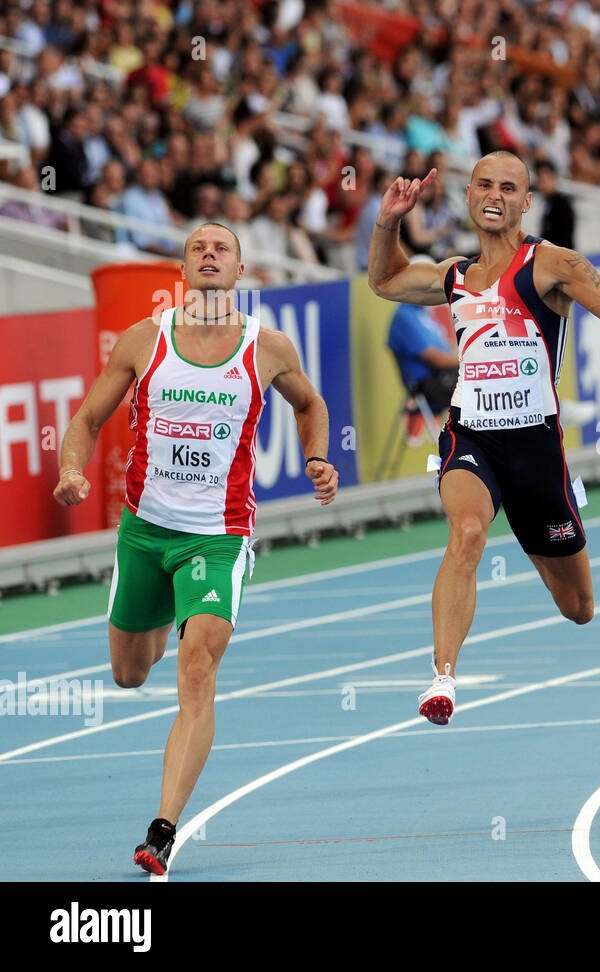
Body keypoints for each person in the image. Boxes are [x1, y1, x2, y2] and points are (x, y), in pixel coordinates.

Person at [368, 151, 600, 725]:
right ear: (468, 196)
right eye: (483, 185)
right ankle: (443, 678)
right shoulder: (454, 276)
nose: (494, 195)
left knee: (578, 608)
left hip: (536, 451)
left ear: (527, 202)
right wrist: (389, 221)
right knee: (468, 532)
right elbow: (384, 280)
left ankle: (545, 531)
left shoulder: (552, 266)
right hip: (470, 438)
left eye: (508, 187)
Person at [51, 222, 339, 874]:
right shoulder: (144, 341)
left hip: (217, 537)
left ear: (239, 271)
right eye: (198, 248)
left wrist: (318, 456)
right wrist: (73, 469)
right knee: (129, 673)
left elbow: (311, 404)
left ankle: (162, 831)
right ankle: (157, 613)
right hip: (145, 532)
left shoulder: (266, 348)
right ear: (183, 267)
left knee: (198, 669)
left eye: (222, 249)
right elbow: (87, 420)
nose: (209, 255)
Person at [387, 299, 459, 443]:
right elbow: (438, 359)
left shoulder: (420, 312)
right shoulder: (405, 316)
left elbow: (447, 346)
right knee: (478, 383)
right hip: (428, 386)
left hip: (444, 377)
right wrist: (469, 358)